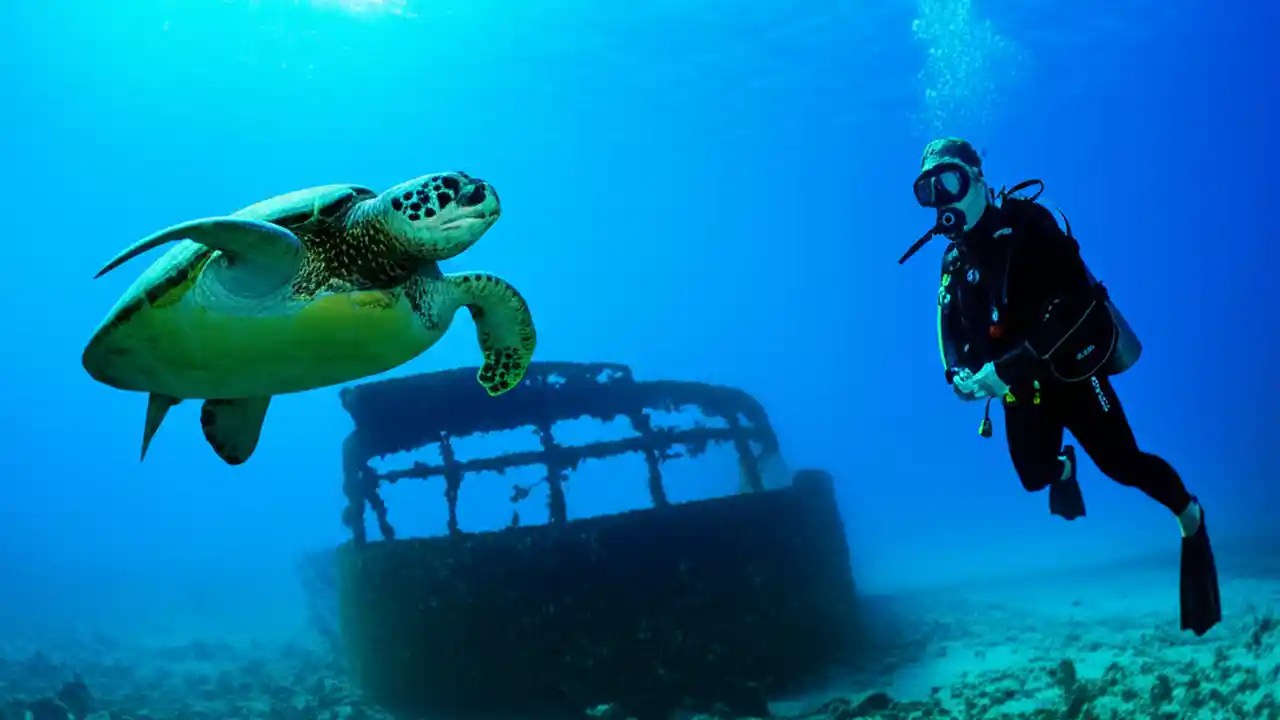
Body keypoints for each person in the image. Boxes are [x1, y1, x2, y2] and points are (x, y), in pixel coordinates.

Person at [899, 137, 1221, 637]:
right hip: (1020, 389)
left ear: (978, 179)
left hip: (1072, 371)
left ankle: (1188, 512)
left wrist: (1005, 368)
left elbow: (1077, 303)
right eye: (928, 191)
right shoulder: (953, 263)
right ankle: (1063, 465)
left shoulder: (1031, 224)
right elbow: (952, 337)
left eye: (951, 182)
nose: (942, 200)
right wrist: (960, 377)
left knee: (1121, 464)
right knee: (1033, 477)